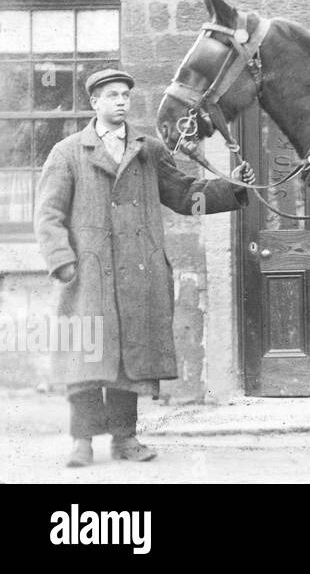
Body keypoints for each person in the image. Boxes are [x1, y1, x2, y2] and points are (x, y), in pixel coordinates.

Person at [35, 68, 254, 468]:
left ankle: (125, 440)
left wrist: (231, 187)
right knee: (85, 360)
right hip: (87, 276)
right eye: (112, 95)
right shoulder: (67, 152)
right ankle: (82, 442)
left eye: (125, 96)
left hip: (138, 276)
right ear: (94, 103)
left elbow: (187, 196)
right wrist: (62, 262)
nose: (121, 101)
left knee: (128, 364)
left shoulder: (149, 151)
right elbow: (48, 215)